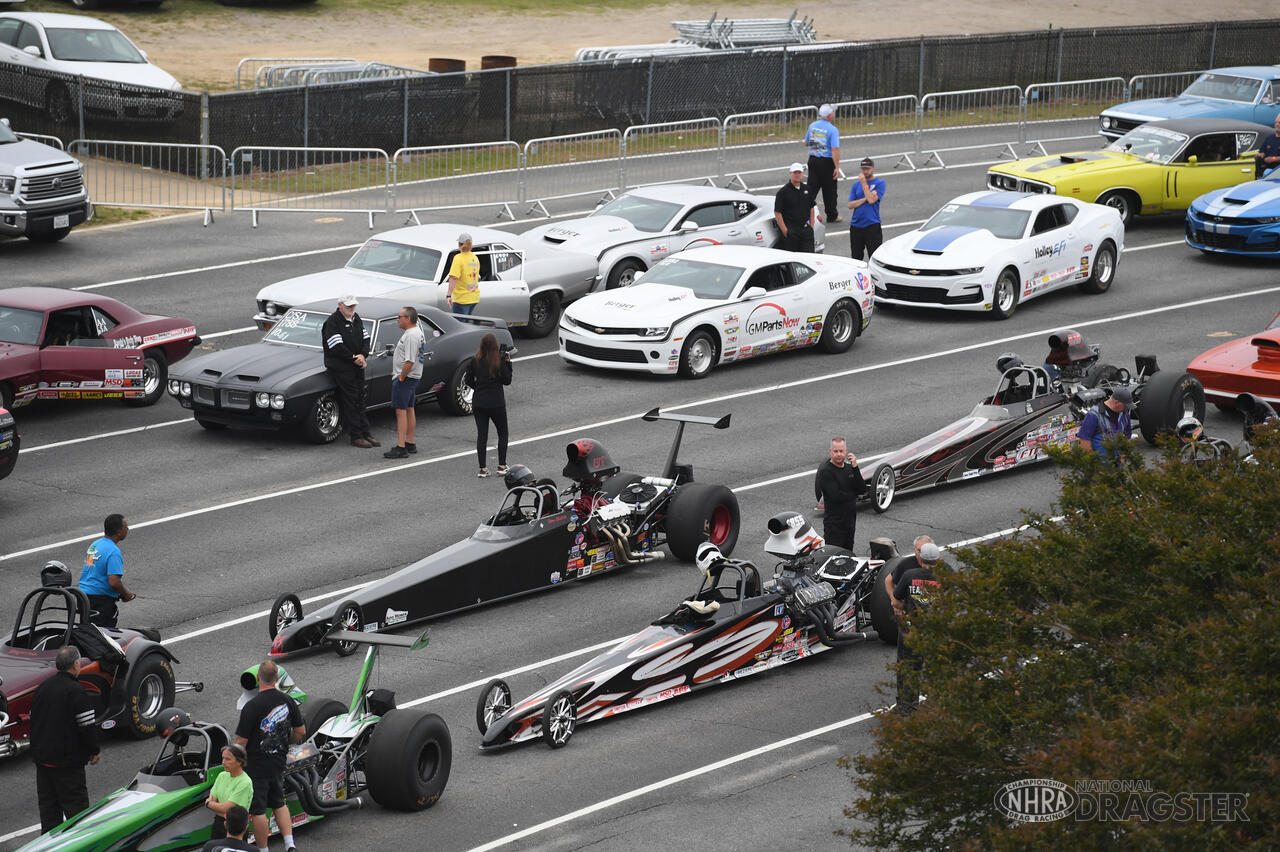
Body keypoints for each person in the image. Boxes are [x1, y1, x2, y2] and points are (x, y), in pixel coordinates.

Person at [234, 660, 304, 852]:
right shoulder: (288, 700)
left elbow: (241, 741)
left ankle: (263, 850)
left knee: (258, 810)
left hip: (255, 765)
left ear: (258, 678)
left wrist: (231, 760)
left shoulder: (252, 706)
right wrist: (284, 742)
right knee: (279, 803)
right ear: (276, 678)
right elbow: (300, 731)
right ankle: (290, 845)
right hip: (278, 761)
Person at [30, 646, 99, 833]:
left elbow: (33, 720)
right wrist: (94, 750)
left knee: (49, 814)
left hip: (43, 763)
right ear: (76, 664)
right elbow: (87, 726)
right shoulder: (76, 691)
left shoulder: (42, 688)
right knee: (78, 815)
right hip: (67, 765)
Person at [321, 295, 379, 449]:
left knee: (361, 398)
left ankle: (365, 432)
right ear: (340, 305)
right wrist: (354, 358)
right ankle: (356, 436)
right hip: (342, 367)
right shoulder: (332, 323)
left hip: (357, 365)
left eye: (353, 305)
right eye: (348, 305)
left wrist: (362, 355)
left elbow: (366, 339)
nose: (351, 308)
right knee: (351, 399)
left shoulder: (356, 318)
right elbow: (336, 347)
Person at [893, 541, 942, 715]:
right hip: (937, 629)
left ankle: (908, 709)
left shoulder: (909, 575)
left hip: (912, 629)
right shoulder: (947, 576)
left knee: (908, 667)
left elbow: (895, 600)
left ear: (921, 558)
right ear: (938, 559)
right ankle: (940, 707)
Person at [464, 332, 513, 478]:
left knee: (482, 435)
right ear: (495, 346)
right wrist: (508, 364)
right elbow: (507, 380)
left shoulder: (475, 360)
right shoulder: (498, 361)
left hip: (479, 402)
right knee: (502, 433)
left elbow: (468, 380)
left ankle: (483, 469)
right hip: (496, 402)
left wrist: (478, 388)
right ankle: (502, 466)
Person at [383, 306, 426, 459]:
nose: (398, 319)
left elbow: (409, 360)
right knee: (409, 408)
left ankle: (401, 446)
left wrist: (400, 377)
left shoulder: (411, 336)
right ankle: (410, 442)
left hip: (407, 378)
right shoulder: (416, 333)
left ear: (408, 318)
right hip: (411, 377)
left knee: (401, 411)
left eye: (400, 317)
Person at [78, 513, 134, 628]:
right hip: (99, 601)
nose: (127, 529)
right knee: (101, 635)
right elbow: (114, 582)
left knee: (86, 631)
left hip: (83, 597)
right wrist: (126, 594)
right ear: (118, 531)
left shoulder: (95, 545)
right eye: (125, 527)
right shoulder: (113, 551)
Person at [814, 436, 867, 551]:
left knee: (848, 554)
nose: (838, 454)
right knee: (834, 556)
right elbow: (836, 496)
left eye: (841, 451)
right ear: (830, 452)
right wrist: (854, 494)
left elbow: (862, 489)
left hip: (850, 522)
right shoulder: (826, 471)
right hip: (834, 525)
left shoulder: (849, 469)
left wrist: (855, 467)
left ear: (846, 451)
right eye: (835, 451)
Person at [804, 103, 841, 224]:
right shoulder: (832, 130)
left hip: (813, 160)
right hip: (826, 162)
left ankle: (803, 211)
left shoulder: (813, 125)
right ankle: (832, 215)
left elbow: (806, 142)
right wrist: (836, 166)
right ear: (830, 115)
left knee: (812, 187)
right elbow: (835, 149)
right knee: (829, 190)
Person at [206, 744, 253, 839]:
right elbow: (218, 804)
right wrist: (220, 809)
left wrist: (208, 804)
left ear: (239, 761)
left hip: (236, 828)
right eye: (223, 758)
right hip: (219, 824)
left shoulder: (245, 782)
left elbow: (225, 808)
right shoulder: (222, 775)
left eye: (227, 759)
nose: (223, 762)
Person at [847, 157, 887, 261]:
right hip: (856, 226)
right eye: (863, 169)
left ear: (873, 168)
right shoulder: (856, 185)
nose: (865, 171)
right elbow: (850, 205)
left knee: (874, 257)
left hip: (872, 225)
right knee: (855, 258)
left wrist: (864, 184)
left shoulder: (880, 183)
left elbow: (871, 200)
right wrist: (865, 198)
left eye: (867, 169)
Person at [1076, 386, 1134, 456]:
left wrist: (1124, 456)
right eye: (1125, 406)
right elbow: (1084, 439)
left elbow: (1128, 435)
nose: (1127, 408)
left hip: (1118, 463)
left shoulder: (1125, 414)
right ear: (1116, 402)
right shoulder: (1093, 415)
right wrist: (1093, 461)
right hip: (1100, 463)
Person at [773, 163, 816, 252]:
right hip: (791, 230)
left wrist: (811, 225)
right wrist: (785, 231)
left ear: (802, 174)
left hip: (805, 229)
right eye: (795, 172)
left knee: (809, 257)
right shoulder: (783, 192)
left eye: (799, 172)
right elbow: (777, 212)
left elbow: (811, 207)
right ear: (790, 173)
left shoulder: (807, 189)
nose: (797, 175)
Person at [884, 535, 936, 607]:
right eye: (919, 550)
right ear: (914, 550)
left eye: (924, 550)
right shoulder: (906, 565)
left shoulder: (944, 568)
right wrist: (894, 602)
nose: (922, 554)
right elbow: (888, 580)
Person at [447, 232, 481, 315]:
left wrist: (448, 295)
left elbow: (454, 277)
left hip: (462, 299)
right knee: (466, 323)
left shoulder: (458, 258)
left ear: (459, 244)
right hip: (474, 297)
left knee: (460, 325)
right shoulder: (475, 258)